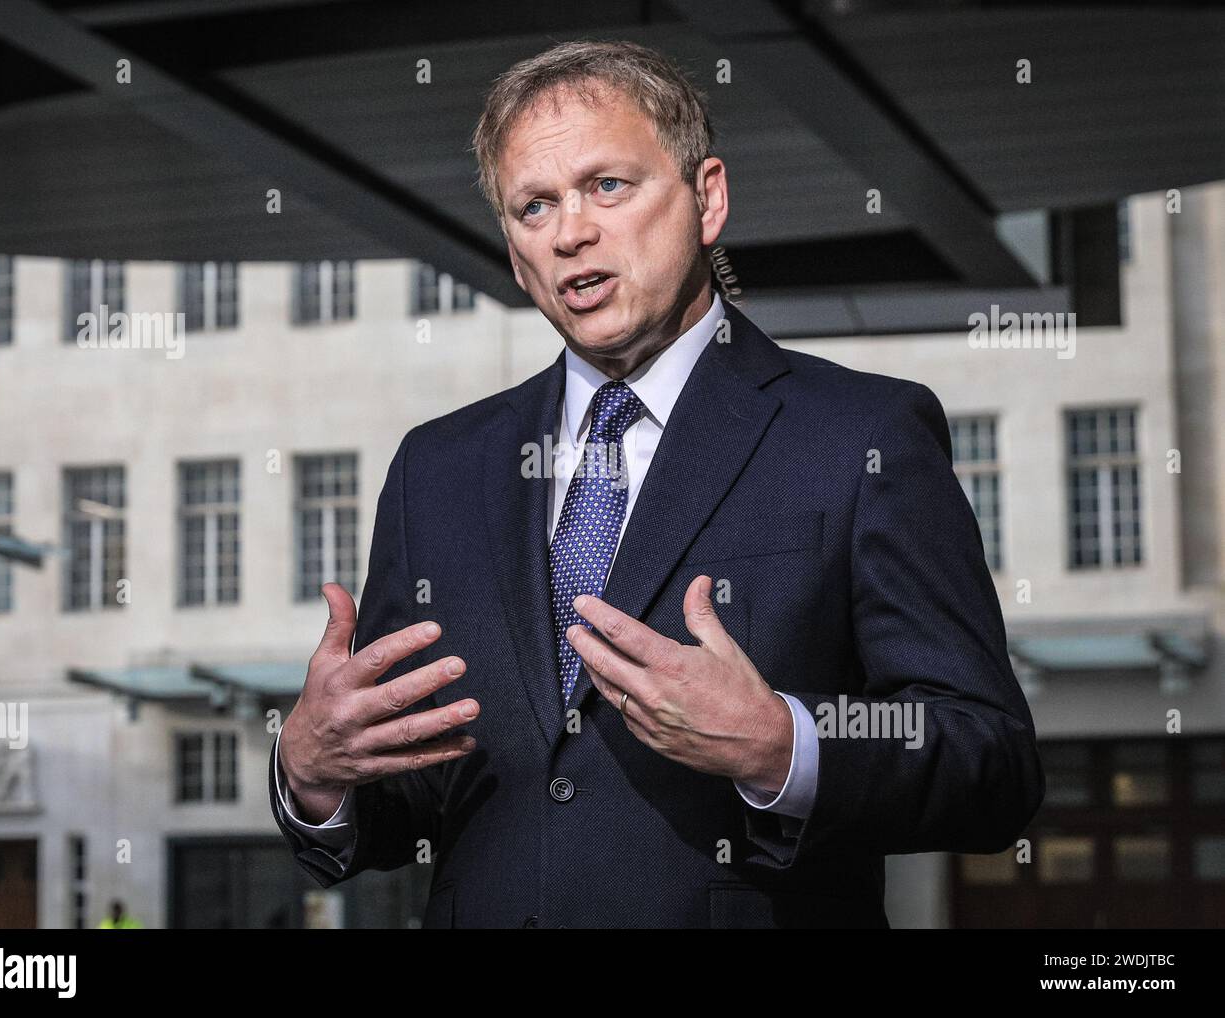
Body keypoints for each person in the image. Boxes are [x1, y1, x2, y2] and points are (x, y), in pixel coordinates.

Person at [270, 39, 1043, 928]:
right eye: (534, 207)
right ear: (517, 258)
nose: (571, 232)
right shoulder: (436, 468)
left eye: (608, 186)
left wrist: (781, 747)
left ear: (706, 198)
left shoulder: (860, 435)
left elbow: (993, 761)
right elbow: (414, 797)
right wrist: (313, 772)